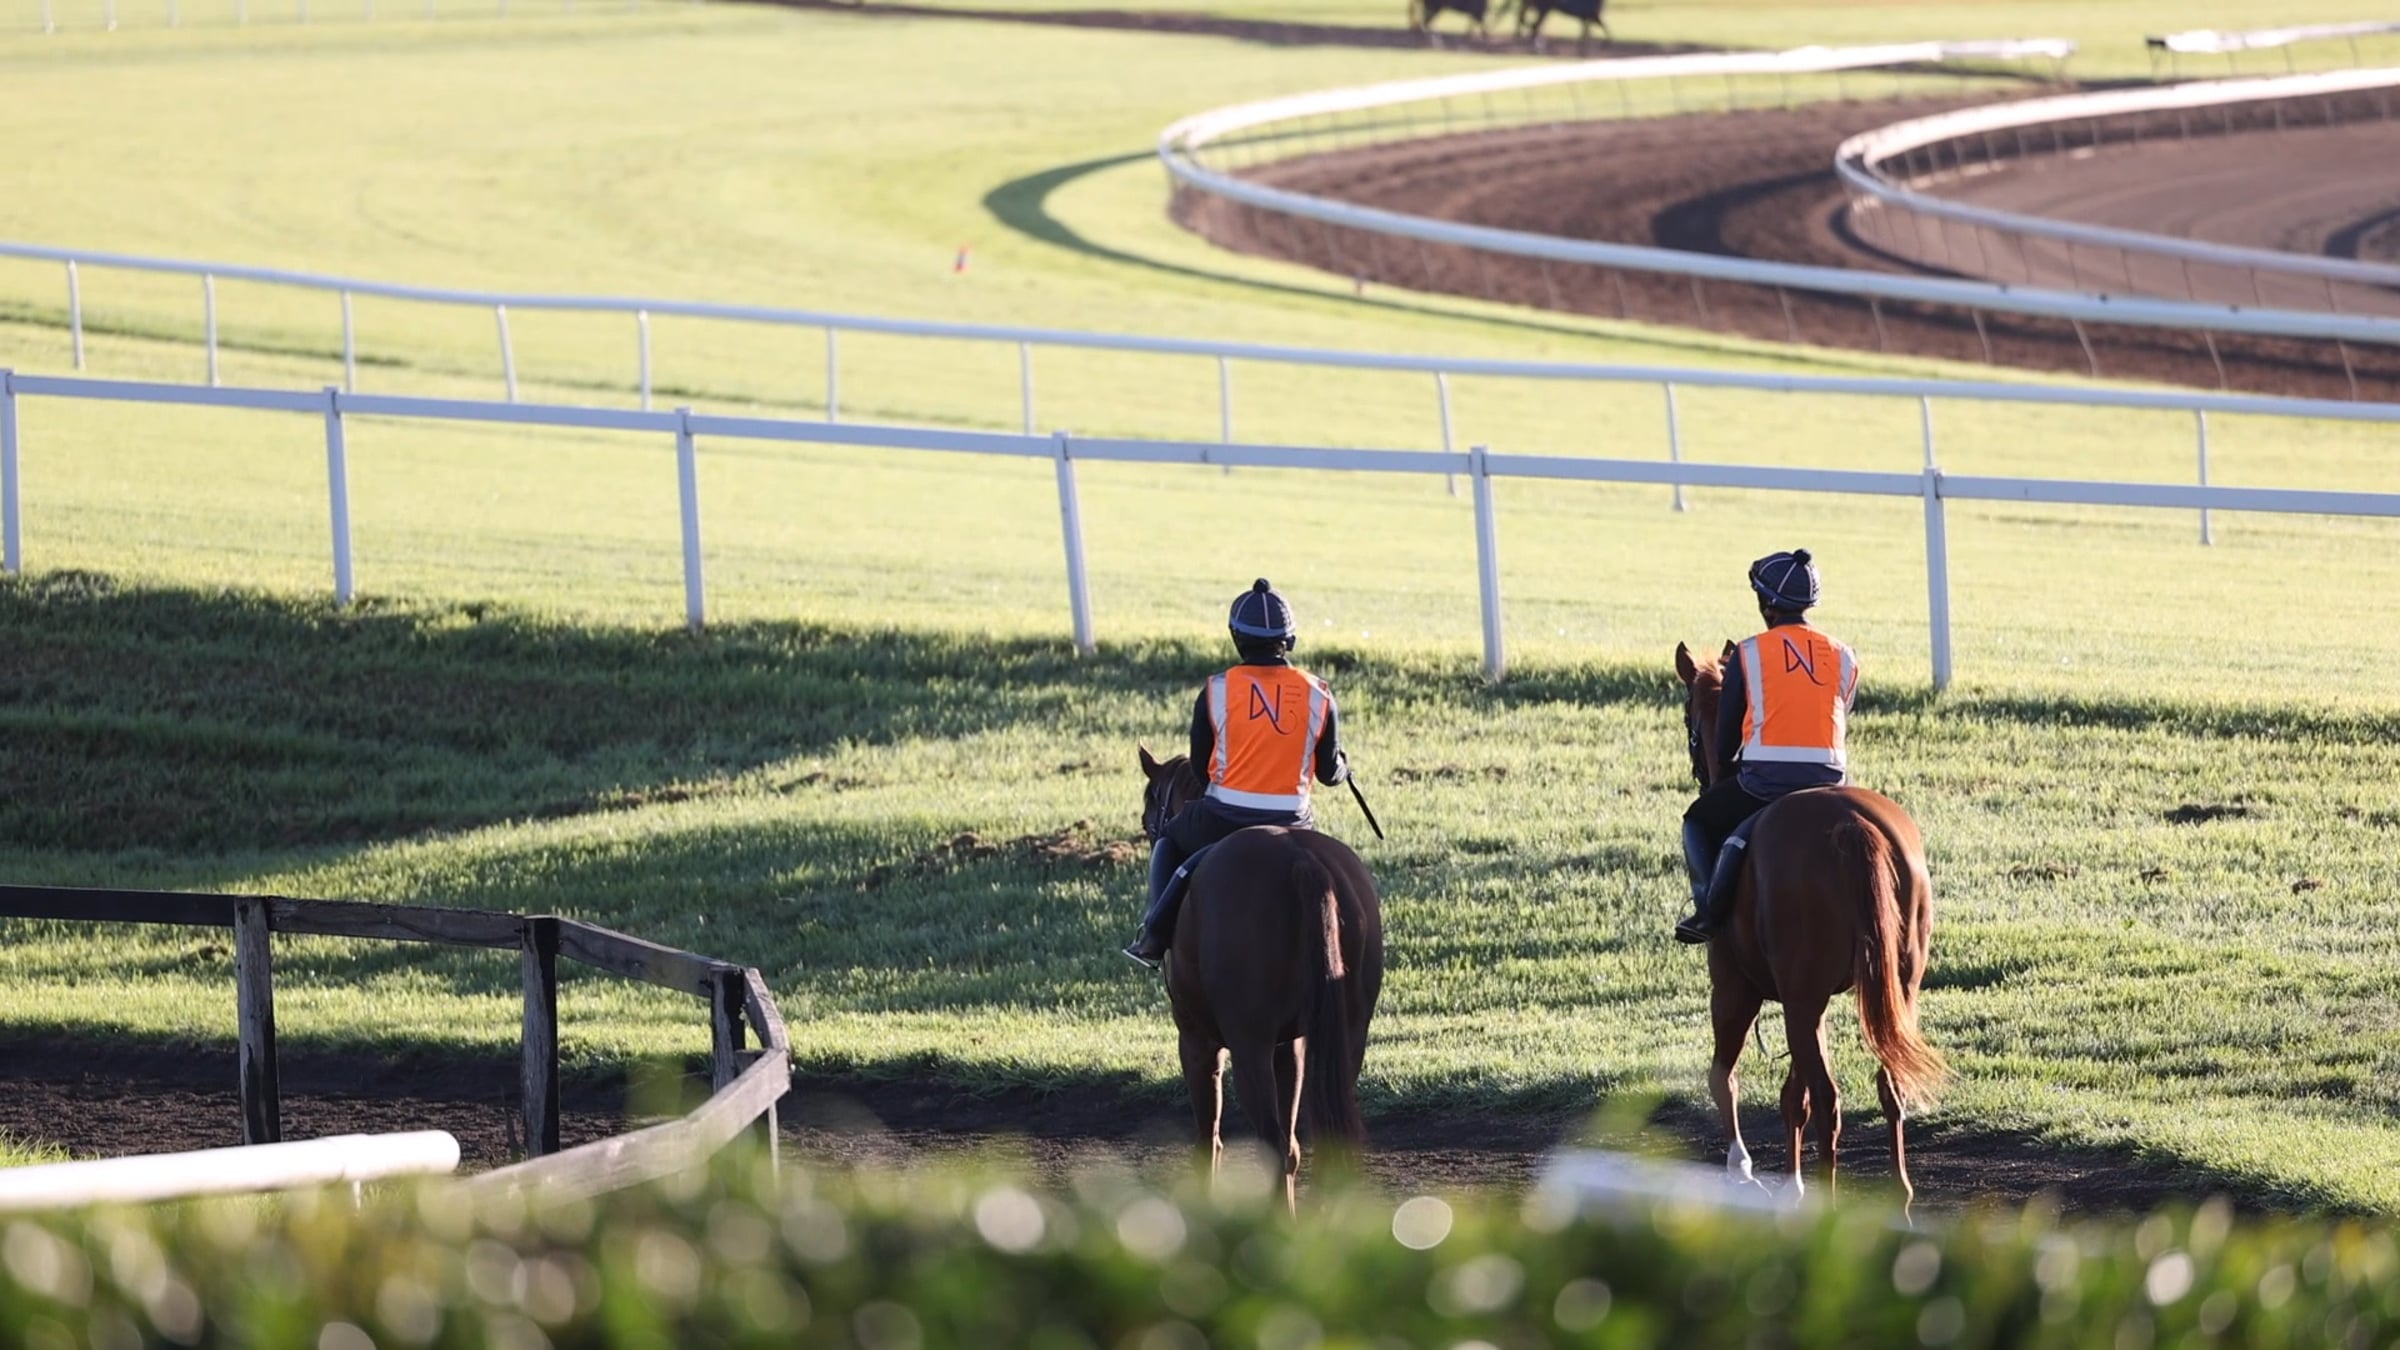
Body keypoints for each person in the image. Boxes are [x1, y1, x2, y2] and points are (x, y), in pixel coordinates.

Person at [1122, 579, 1350, 969]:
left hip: (1223, 817)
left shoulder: (1216, 690)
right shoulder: (1319, 694)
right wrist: (1345, 767)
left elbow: (1200, 769)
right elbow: (1330, 773)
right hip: (1294, 822)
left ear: (1236, 638)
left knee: (1169, 837)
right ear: (1289, 640)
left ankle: (1154, 936)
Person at [1676, 548, 1857, 945]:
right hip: (1832, 781)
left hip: (1766, 782)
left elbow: (1726, 741)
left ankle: (1706, 912)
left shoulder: (1749, 652)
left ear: (1766, 604)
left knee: (1697, 821)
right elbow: (1842, 712)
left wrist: (1728, 763)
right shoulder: (1845, 655)